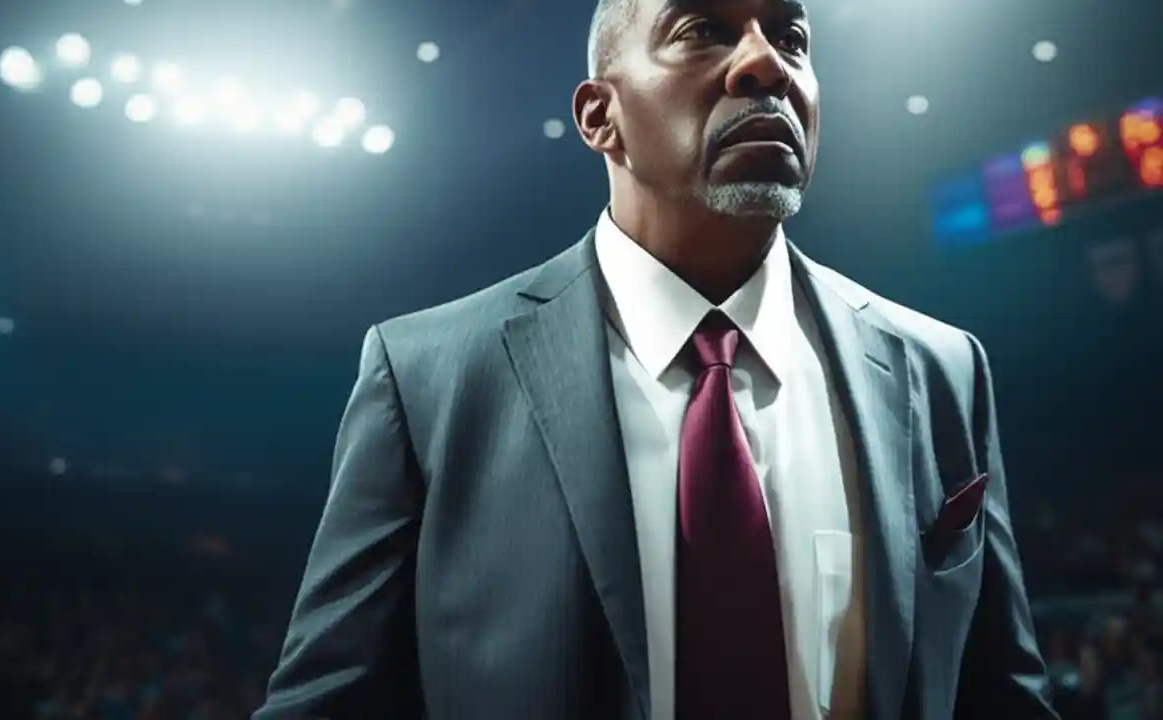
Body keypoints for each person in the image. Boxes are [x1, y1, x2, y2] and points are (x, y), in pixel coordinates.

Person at [254, 0, 1056, 717]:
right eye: (701, 29)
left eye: (792, 37)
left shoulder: (941, 368)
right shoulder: (427, 374)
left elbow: (1003, 695)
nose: (766, 63)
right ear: (600, 116)